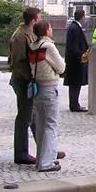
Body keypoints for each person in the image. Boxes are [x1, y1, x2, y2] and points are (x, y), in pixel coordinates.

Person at [29, 21, 66, 172]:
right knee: (51, 124)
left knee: (40, 125)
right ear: (46, 30)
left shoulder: (33, 46)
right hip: (49, 87)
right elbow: (61, 67)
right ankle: (46, 163)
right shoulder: (48, 46)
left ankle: (42, 159)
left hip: (37, 88)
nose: (52, 30)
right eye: (50, 28)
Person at [8, 7, 40, 165]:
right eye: (39, 18)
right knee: (24, 118)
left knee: (33, 116)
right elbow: (18, 61)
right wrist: (30, 78)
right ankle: (21, 154)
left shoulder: (27, 33)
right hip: (22, 81)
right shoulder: (20, 36)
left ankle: (46, 149)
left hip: (26, 80)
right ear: (33, 20)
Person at [64, 9, 90, 112]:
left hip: (74, 61)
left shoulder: (73, 27)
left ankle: (74, 104)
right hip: (76, 62)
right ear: (82, 17)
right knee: (75, 84)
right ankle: (74, 105)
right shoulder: (75, 28)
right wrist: (82, 55)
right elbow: (74, 46)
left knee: (75, 84)